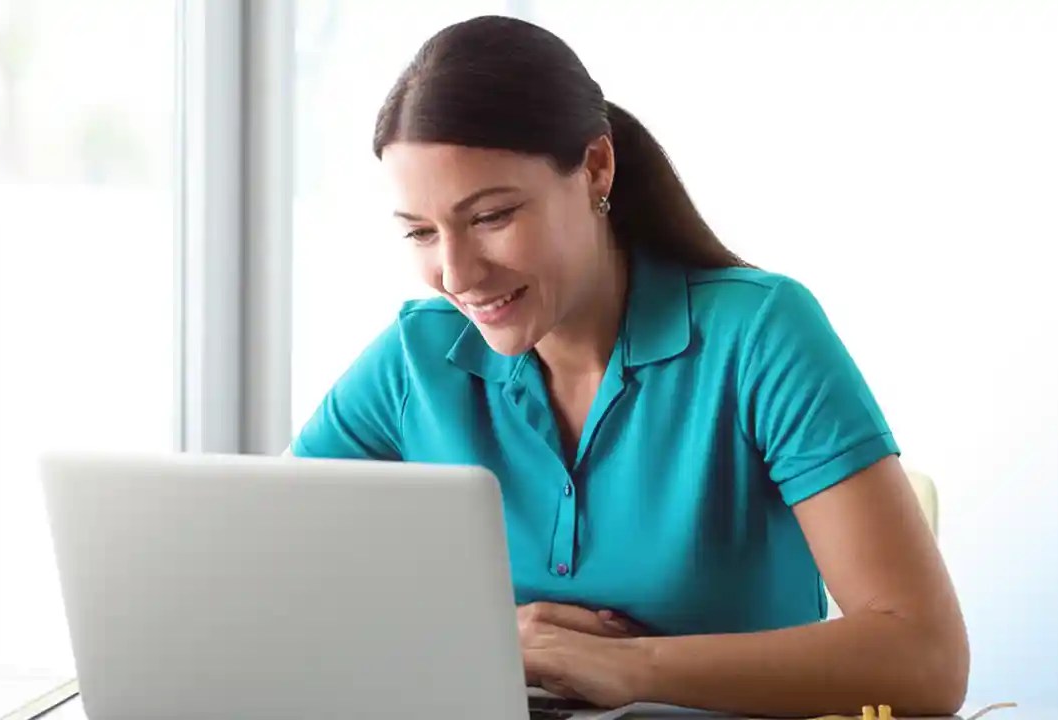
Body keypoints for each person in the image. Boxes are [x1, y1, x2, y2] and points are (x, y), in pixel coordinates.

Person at [289, 14, 968, 718]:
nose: (456, 273)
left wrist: (630, 665)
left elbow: (925, 659)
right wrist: (473, 640)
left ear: (595, 169)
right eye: (421, 232)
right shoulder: (415, 359)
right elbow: (264, 583)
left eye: (491, 216)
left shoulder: (758, 332)